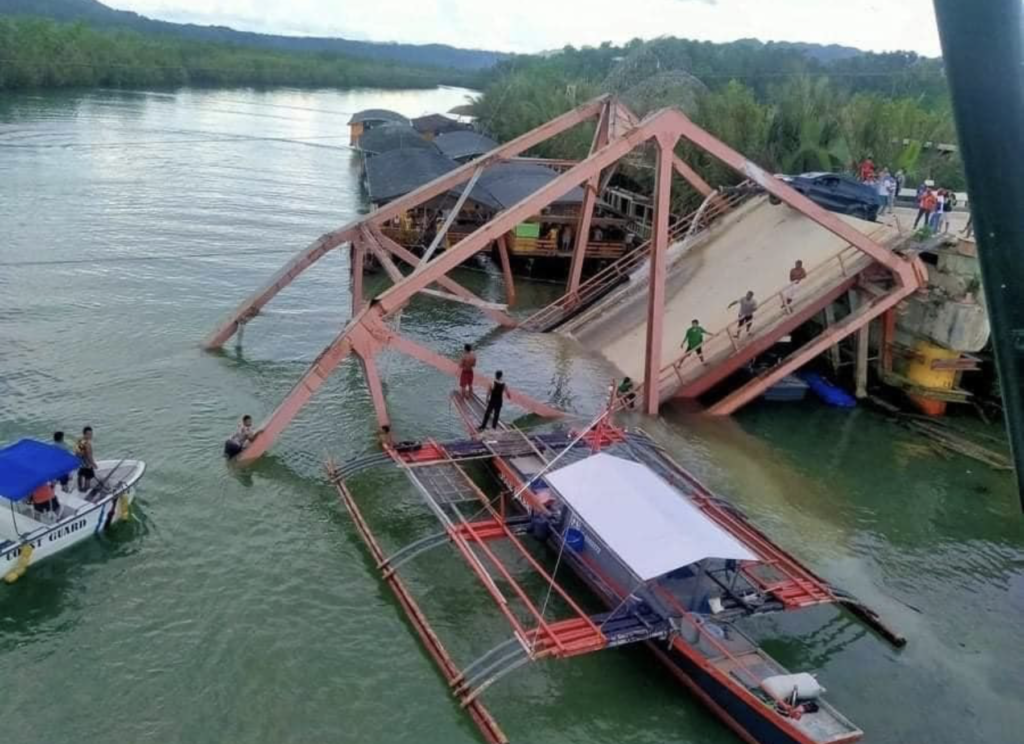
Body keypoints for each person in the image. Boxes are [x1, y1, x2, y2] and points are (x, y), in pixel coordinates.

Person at [75, 426, 97, 492]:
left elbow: (77, 453)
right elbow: (89, 455)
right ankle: (86, 490)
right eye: (89, 434)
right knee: (88, 478)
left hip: (81, 463)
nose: (90, 436)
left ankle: (80, 488)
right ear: (84, 434)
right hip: (87, 464)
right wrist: (93, 464)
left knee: (80, 475)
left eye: (91, 434)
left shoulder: (80, 441)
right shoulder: (87, 444)